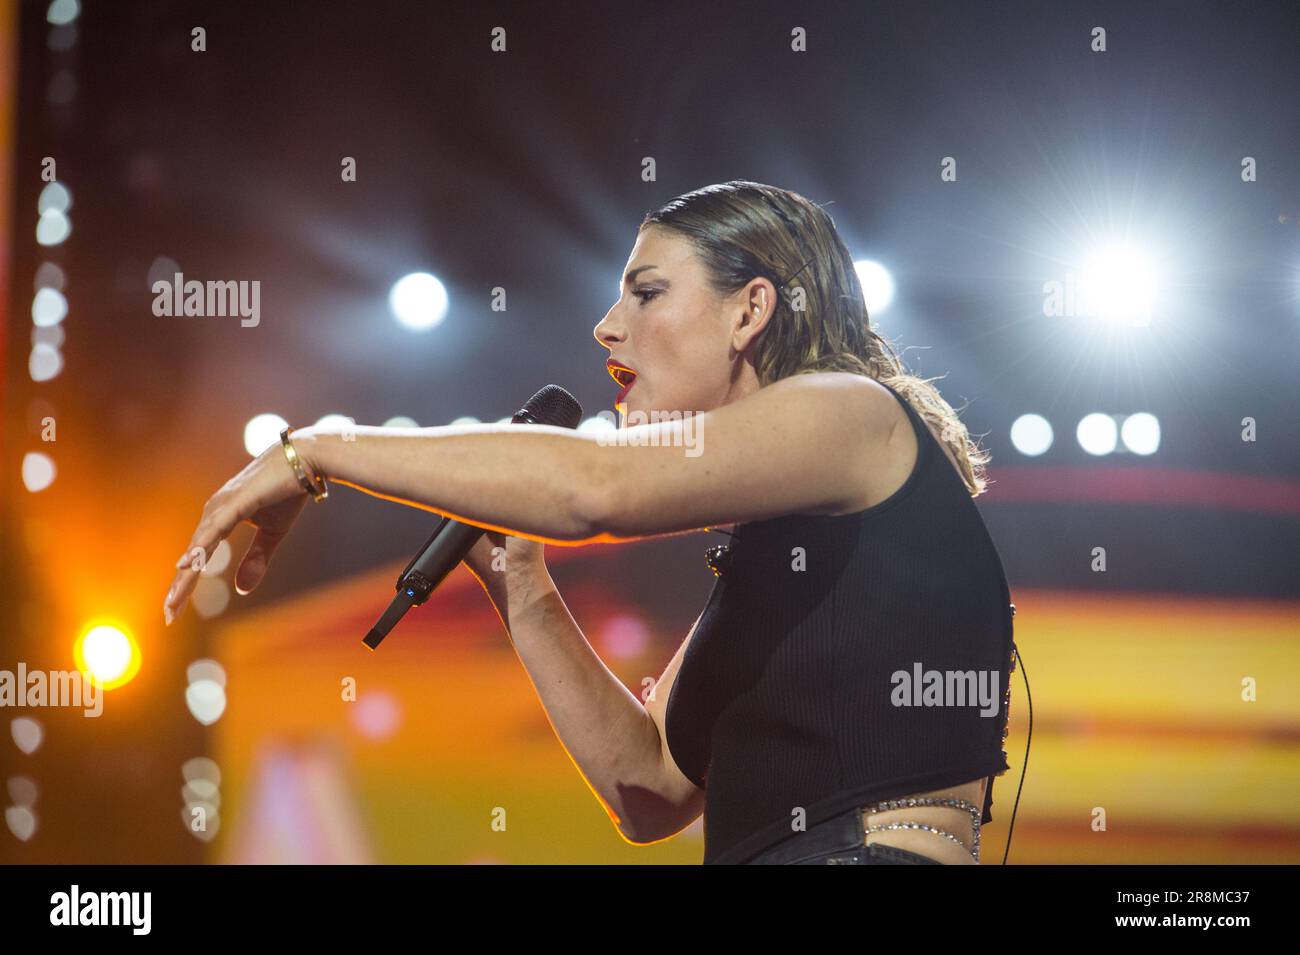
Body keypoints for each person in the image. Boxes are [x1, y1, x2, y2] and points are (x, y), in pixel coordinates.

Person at [162, 180, 1014, 865]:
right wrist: (523, 589)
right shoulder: (783, 550)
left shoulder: (856, 413)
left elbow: (595, 486)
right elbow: (646, 788)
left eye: (646, 293)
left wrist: (318, 450)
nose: (608, 328)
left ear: (750, 310)